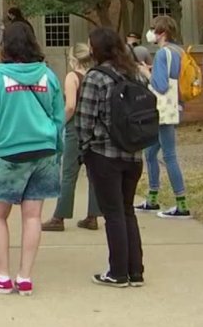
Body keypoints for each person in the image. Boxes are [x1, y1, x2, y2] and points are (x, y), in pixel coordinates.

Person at [0, 22, 64, 296]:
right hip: (44, 151)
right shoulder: (48, 76)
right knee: (33, 216)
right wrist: (58, 148)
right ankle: (25, 277)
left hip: (8, 151)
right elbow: (58, 117)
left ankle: (2, 275)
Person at [77, 27, 146, 287]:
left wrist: (84, 148)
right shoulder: (135, 73)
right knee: (127, 210)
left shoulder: (96, 76)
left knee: (113, 213)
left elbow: (85, 118)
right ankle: (135, 270)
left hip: (104, 152)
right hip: (133, 151)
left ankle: (117, 271)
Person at [43, 44, 101, 232]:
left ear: (73, 59)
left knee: (68, 174)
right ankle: (93, 215)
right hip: (93, 128)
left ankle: (59, 216)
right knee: (93, 174)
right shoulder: (95, 75)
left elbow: (70, 106)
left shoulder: (72, 77)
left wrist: (58, 123)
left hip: (75, 129)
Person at [139, 15, 191, 219]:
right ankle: (152, 197)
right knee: (150, 153)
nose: (150, 33)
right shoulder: (178, 51)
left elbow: (160, 85)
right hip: (174, 105)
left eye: (153, 29)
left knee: (168, 155)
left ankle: (181, 202)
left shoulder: (162, 54)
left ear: (162, 33)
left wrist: (145, 71)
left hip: (162, 109)